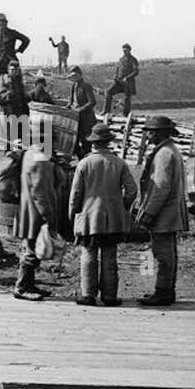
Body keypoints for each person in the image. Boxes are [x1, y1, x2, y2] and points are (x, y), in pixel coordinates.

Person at [69, 122, 138, 306]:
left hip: (89, 217)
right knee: (110, 255)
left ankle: (87, 295)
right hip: (113, 219)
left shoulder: (84, 164)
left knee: (88, 254)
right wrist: (122, 206)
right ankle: (109, 296)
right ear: (108, 142)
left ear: (93, 143)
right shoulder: (119, 163)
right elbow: (132, 190)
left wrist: (73, 212)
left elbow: (76, 194)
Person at [133, 115, 189, 307]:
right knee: (168, 253)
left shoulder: (164, 154)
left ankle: (163, 292)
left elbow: (160, 188)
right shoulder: (170, 150)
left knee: (163, 254)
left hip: (164, 212)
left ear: (160, 133)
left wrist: (148, 214)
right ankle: (165, 290)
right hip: (170, 210)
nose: (147, 135)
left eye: (150, 132)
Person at [13, 143, 58, 301]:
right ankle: (22, 287)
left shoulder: (29, 153)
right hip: (36, 212)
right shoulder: (40, 158)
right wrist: (48, 217)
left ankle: (28, 285)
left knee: (30, 247)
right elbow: (40, 191)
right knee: (31, 251)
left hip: (28, 208)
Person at [0, 13, 30, 80]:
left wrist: (19, 50)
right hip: (0, 61)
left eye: (3, 22)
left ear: (6, 23)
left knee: (16, 80)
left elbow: (26, 40)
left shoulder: (13, 33)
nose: (2, 24)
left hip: (12, 60)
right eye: (0, 22)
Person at [66, 65, 98, 157]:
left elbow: (92, 102)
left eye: (75, 76)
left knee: (86, 142)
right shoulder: (73, 86)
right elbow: (71, 100)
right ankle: (81, 159)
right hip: (75, 119)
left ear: (80, 75)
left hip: (86, 119)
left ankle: (86, 163)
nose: (73, 78)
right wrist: (68, 107)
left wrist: (79, 110)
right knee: (74, 142)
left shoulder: (86, 86)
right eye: (72, 76)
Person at [103, 44, 140, 116]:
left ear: (129, 50)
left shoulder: (133, 60)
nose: (124, 52)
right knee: (108, 92)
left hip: (128, 82)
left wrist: (128, 77)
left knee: (127, 98)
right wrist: (115, 77)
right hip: (119, 82)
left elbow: (136, 71)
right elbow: (117, 69)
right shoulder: (121, 60)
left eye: (126, 50)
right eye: (123, 50)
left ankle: (125, 114)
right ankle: (106, 111)